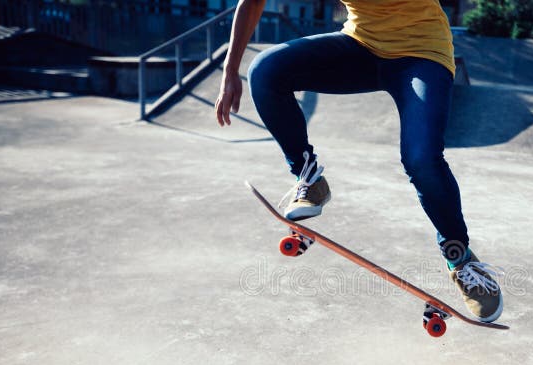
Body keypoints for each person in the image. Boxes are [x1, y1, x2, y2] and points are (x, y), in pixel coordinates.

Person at [215, 0, 503, 323]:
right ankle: (308, 176)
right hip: (361, 46)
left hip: (422, 52)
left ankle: (460, 259)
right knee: (266, 71)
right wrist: (230, 70)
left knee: (421, 159)